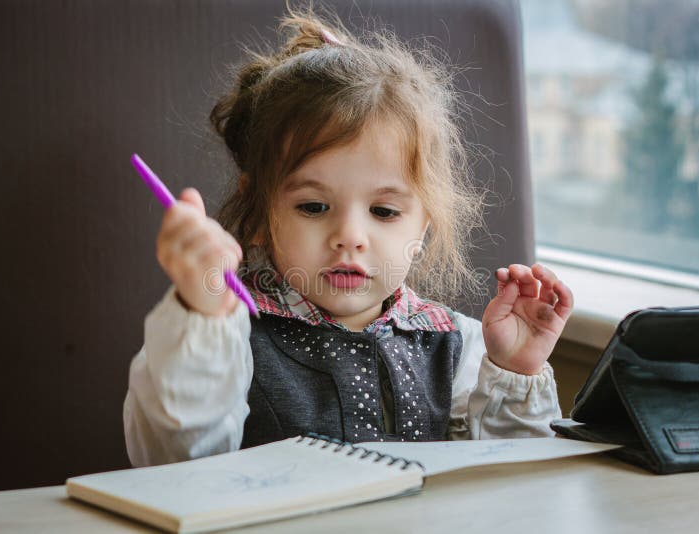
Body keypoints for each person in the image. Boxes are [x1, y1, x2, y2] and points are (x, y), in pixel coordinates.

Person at [123, 7, 573, 467]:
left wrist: (515, 372)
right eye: (314, 207)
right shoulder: (228, 334)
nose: (350, 237)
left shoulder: (458, 345)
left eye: (384, 211)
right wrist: (199, 314)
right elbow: (172, 460)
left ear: (424, 224)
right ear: (259, 212)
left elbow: (511, 482)